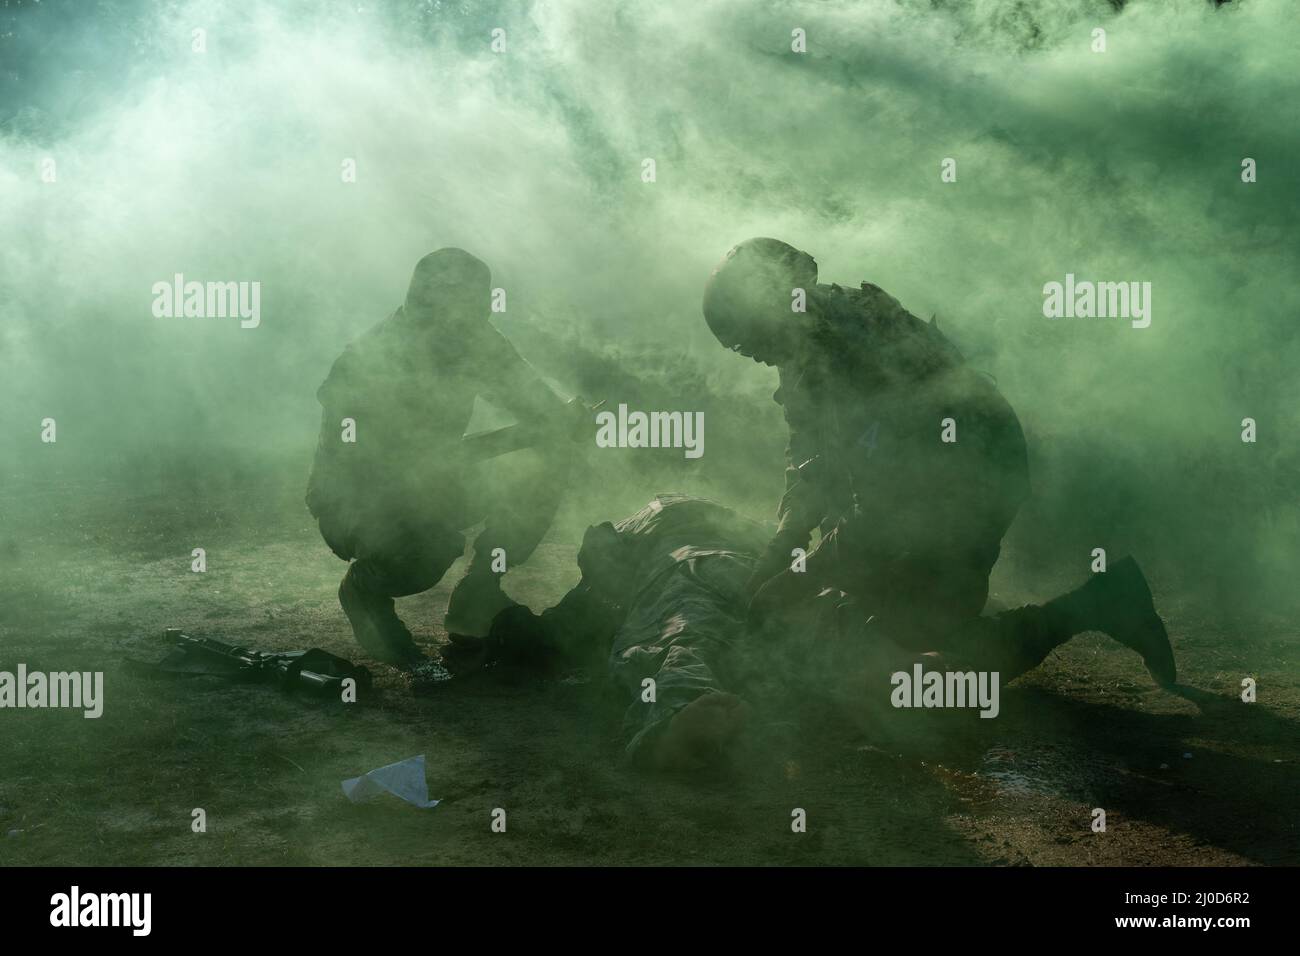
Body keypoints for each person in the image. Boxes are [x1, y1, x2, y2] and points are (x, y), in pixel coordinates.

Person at [701, 238, 1176, 687]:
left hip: (970, 478)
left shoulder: (854, 345)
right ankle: (943, 598)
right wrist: (786, 540)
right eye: (740, 349)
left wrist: (808, 572)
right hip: (921, 490)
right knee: (875, 619)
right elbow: (810, 452)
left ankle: (1099, 605)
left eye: (747, 341)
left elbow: (890, 503)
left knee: (929, 657)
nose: (754, 358)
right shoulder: (801, 342)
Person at [306, 248, 581, 670]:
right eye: (467, 308)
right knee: (427, 551)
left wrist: (562, 420)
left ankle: (480, 590)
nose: (478, 319)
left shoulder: (471, 339)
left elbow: (535, 406)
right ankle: (366, 587)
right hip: (358, 504)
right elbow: (403, 468)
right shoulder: (373, 361)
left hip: (429, 484)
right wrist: (530, 432)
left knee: (550, 447)